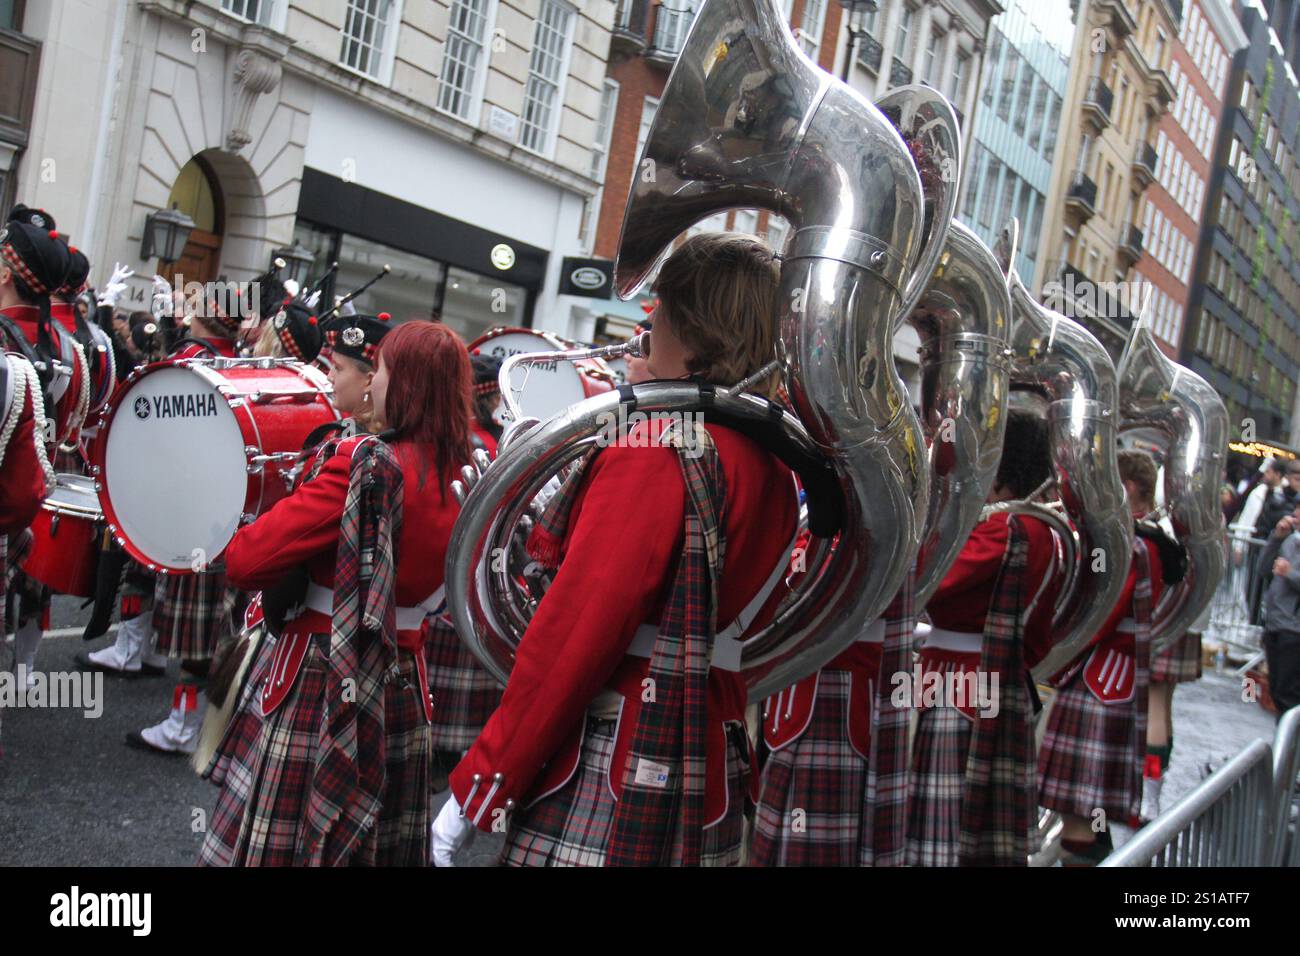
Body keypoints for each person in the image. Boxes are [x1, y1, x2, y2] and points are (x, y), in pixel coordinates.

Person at [430, 232, 799, 867]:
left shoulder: (657, 444)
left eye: (664, 310)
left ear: (695, 328)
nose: (648, 323)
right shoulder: (772, 461)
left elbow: (577, 633)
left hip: (618, 759)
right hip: (709, 758)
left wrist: (480, 784)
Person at [199, 320, 472, 866]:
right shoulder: (465, 471)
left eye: (384, 371)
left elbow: (248, 560)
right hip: (404, 685)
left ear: (406, 382)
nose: (373, 386)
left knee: (288, 845)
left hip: (322, 678)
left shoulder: (364, 461)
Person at [904, 410, 1065, 866]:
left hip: (958, 686)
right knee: (973, 835)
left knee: (940, 835)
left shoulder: (1007, 528)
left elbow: (927, 584)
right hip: (997, 683)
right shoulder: (1043, 528)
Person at [1037, 449, 1175, 866]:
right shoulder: (1143, 540)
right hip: (1112, 681)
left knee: (1079, 811)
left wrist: (1049, 650)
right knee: (1088, 815)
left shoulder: (1130, 544)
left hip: (1098, 682)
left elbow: (1098, 614)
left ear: (1128, 488)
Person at [1259, 502, 1300, 716]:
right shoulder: (1289, 541)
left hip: (1293, 629)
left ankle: (1290, 746)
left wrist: (1291, 573)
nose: (1295, 515)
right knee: (1275, 691)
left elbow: (1289, 575)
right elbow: (1263, 568)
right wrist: (1276, 538)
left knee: (1288, 693)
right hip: (1274, 622)